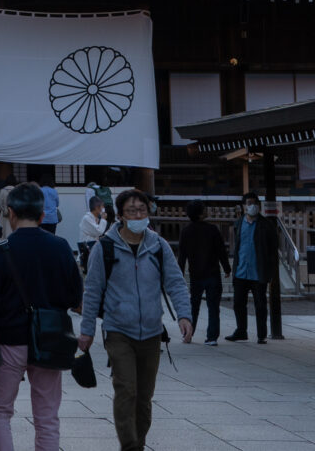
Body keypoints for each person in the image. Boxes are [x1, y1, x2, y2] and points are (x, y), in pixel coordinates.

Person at [80, 190, 194, 451]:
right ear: (120, 216)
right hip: (118, 330)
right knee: (126, 390)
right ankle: (130, 446)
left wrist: (184, 315)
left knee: (144, 397)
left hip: (152, 332)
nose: (138, 215)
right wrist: (87, 331)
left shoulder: (158, 246)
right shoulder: (104, 248)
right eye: (132, 211)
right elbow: (93, 290)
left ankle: (138, 444)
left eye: (142, 210)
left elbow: (175, 282)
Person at [0, 184, 81, 451]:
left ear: (10, 213)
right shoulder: (61, 247)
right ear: (41, 215)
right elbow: (75, 295)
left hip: (9, 341)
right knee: (47, 417)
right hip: (49, 340)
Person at [224, 193, 279, 344]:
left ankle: (261, 334)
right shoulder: (239, 223)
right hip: (241, 270)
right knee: (238, 303)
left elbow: (273, 249)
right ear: (243, 206)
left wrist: (271, 271)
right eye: (249, 203)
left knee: (260, 305)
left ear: (259, 206)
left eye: (254, 203)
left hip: (258, 272)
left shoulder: (266, 225)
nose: (252, 206)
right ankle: (241, 330)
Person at [178, 200, 226, 345]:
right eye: (204, 209)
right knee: (213, 307)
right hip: (212, 272)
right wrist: (227, 267)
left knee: (194, 306)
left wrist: (179, 272)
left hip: (195, 273)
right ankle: (212, 337)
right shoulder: (212, 229)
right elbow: (221, 251)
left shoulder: (186, 231)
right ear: (200, 213)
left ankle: (188, 334)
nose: (206, 211)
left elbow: (182, 255)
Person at [78, 196, 109, 273]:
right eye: (102, 206)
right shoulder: (87, 218)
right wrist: (103, 219)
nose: (103, 209)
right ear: (97, 207)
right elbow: (99, 231)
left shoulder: (95, 218)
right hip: (88, 250)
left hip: (92, 248)